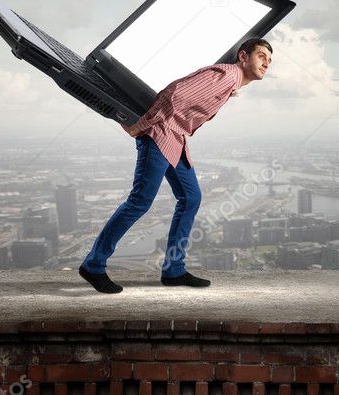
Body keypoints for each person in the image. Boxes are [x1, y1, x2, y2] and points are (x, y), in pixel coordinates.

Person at [78, 38, 273, 293]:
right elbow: (175, 93)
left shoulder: (229, 83)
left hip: (176, 139)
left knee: (191, 197)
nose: (266, 63)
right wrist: (142, 124)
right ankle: (93, 265)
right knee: (139, 202)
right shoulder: (225, 76)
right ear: (243, 56)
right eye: (261, 56)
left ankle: (174, 270)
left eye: (269, 61)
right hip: (160, 134)